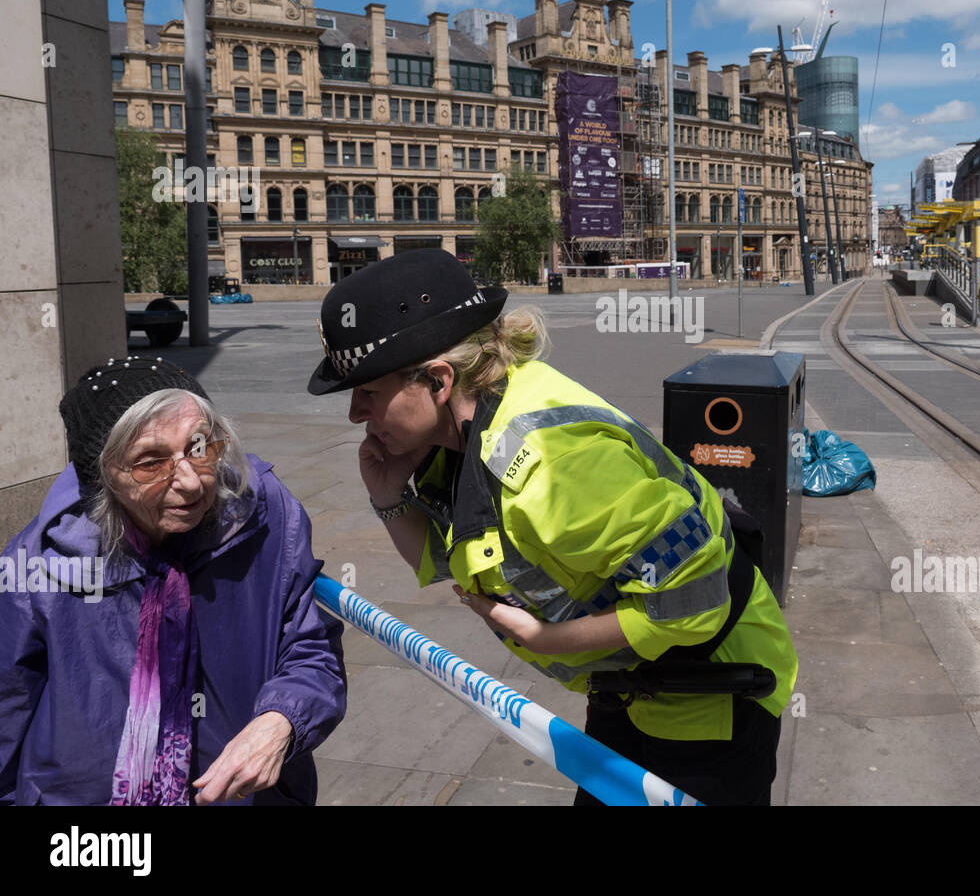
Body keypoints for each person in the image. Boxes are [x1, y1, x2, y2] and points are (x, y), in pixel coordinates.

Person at [307, 249, 798, 805]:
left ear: (439, 381)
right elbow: (447, 559)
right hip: (631, 686)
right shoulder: (462, 435)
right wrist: (387, 497)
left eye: (368, 393)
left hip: (713, 699)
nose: (354, 415)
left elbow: (693, 598)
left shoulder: (553, 467)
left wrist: (546, 638)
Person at [0, 357, 346, 805]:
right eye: (150, 463)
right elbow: (8, 706)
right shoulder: (38, 563)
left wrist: (283, 720)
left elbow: (310, 644)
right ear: (103, 478)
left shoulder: (265, 516)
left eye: (200, 447)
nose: (189, 483)